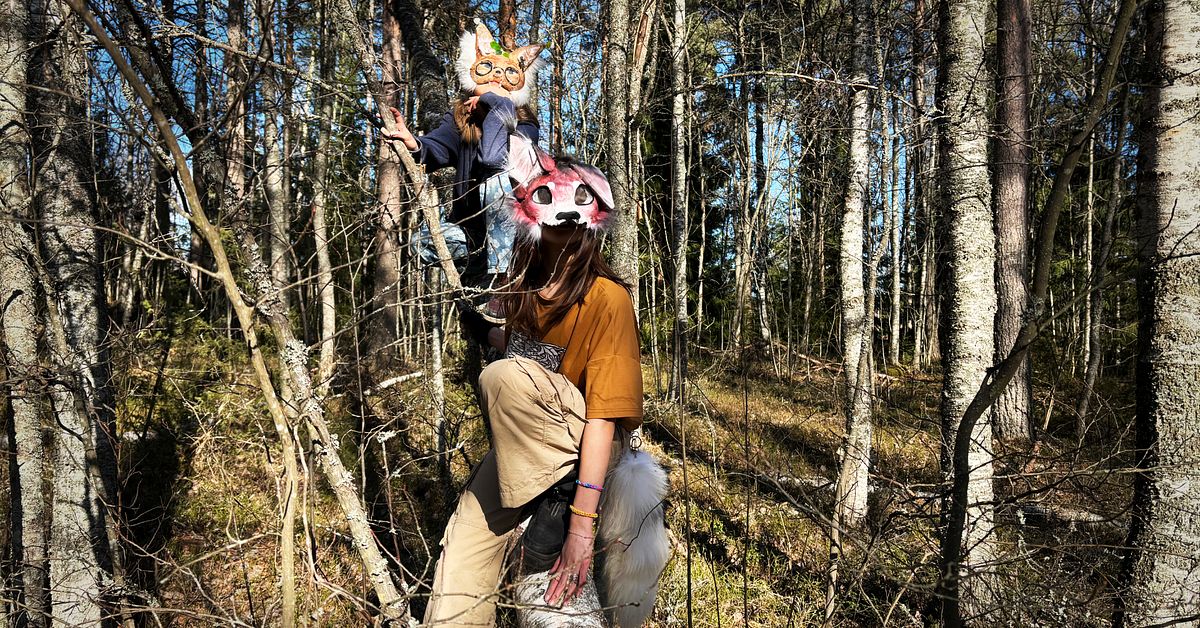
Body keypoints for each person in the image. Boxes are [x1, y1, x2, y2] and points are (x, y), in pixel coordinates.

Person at [422, 135, 644, 625]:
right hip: (532, 445)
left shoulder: (608, 298)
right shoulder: (522, 288)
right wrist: (483, 328)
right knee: (462, 549)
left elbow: (604, 417)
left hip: (581, 445)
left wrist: (581, 525)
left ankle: (558, 497)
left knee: (502, 378)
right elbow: (527, 353)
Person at [383, 23, 544, 300]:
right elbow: (437, 146)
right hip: (470, 231)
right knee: (421, 242)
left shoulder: (524, 124)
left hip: (512, 230)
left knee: (495, 182)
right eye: (489, 74)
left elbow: (494, 158)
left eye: (503, 76)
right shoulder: (461, 119)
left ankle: (501, 279)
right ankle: (478, 268)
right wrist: (414, 143)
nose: (495, 79)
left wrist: (496, 103)